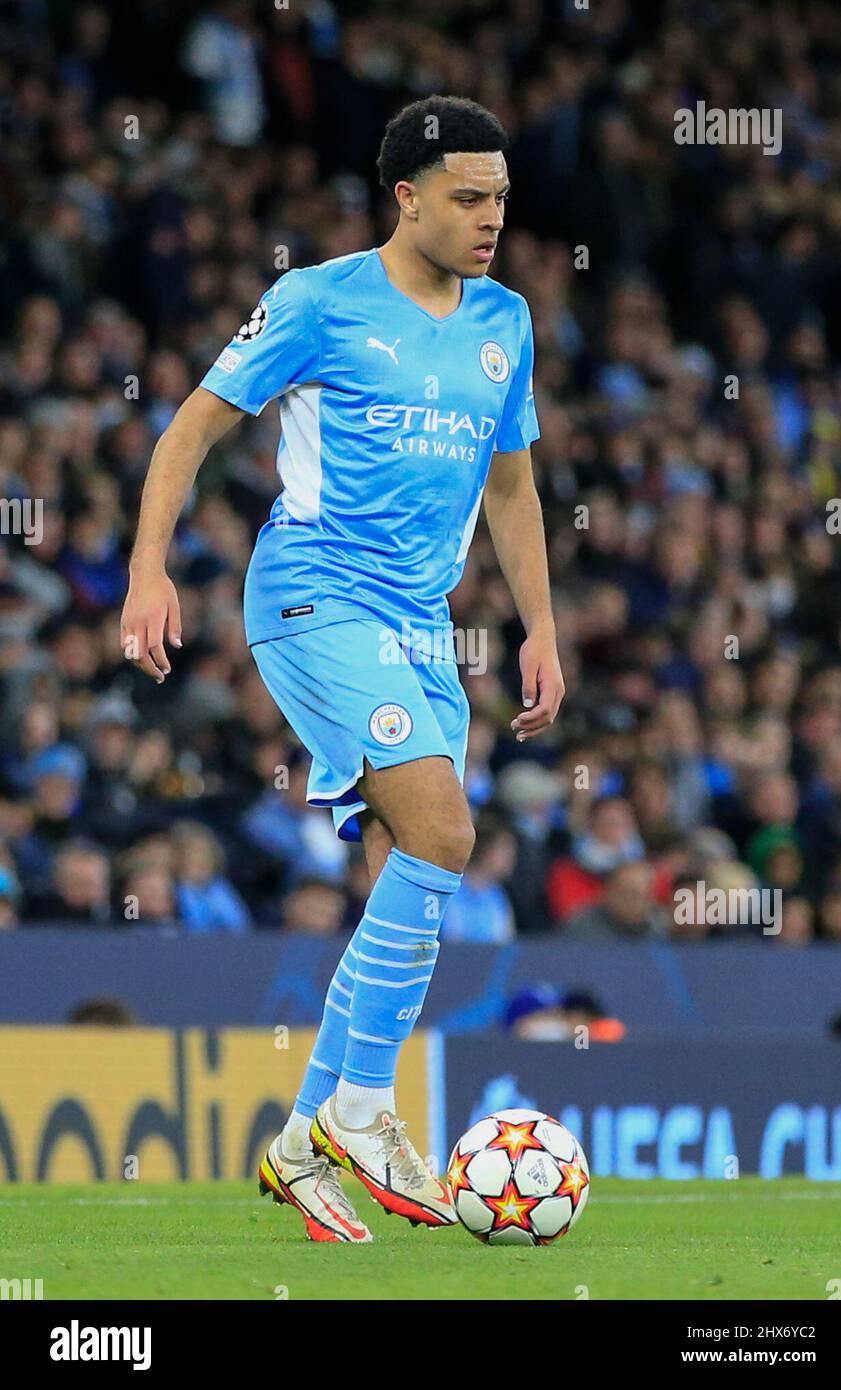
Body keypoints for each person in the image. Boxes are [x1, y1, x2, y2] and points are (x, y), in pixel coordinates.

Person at [120, 95, 564, 1243]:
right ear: (404, 194)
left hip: (420, 622)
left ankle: (300, 1138)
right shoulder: (315, 299)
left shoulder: (504, 321)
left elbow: (510, 485)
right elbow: (192, 428)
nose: (489, 219)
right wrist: (147, 569)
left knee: (407, 867)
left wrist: (540, 628)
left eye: (501, 199)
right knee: (444, 833)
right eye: (467, 197)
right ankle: (367, 1109)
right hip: (313, 594)